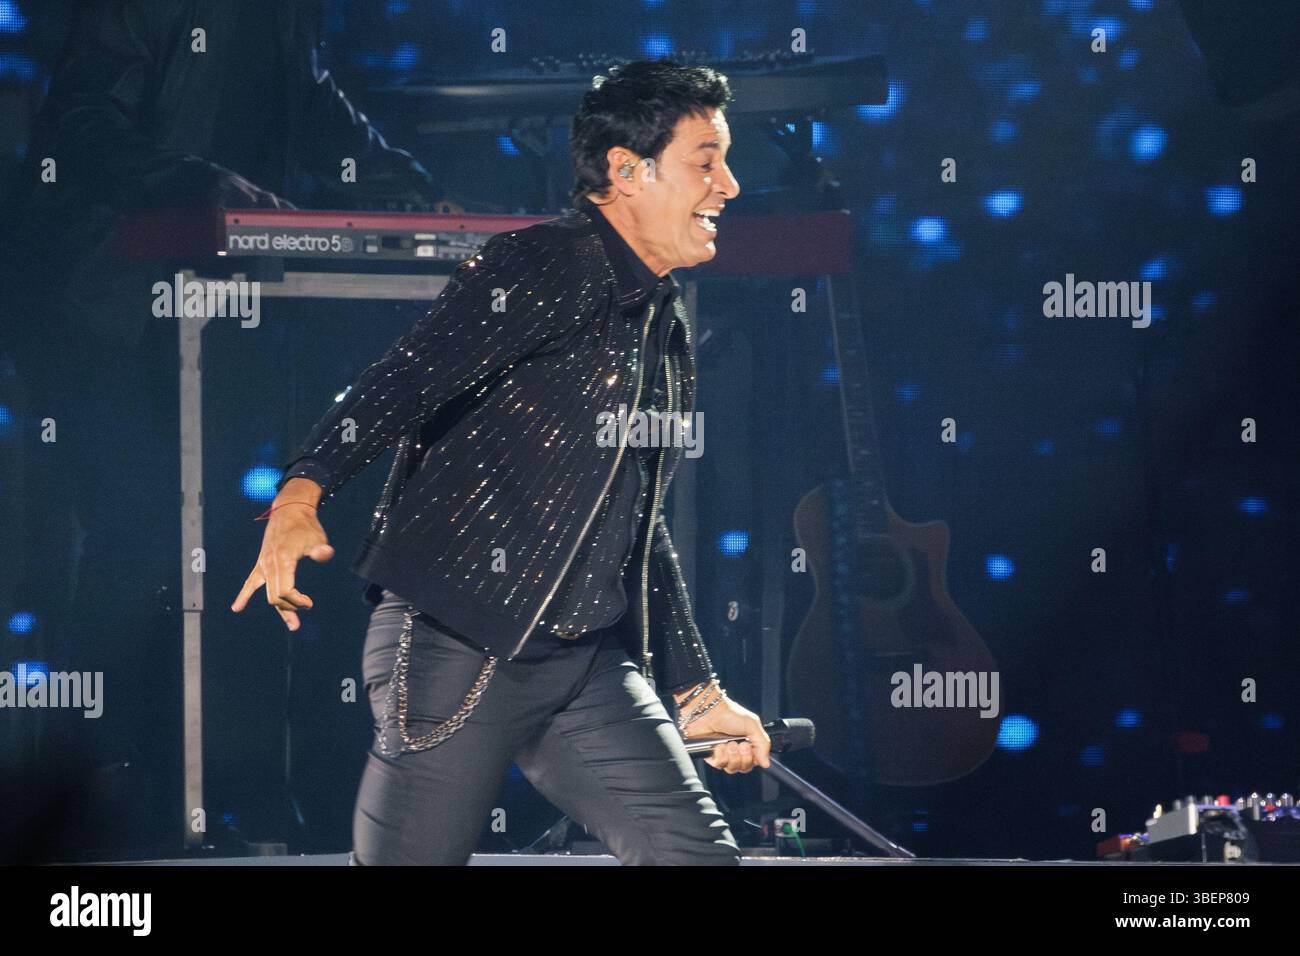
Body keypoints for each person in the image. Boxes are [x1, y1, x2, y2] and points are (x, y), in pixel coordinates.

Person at [231, 60, 772, 865]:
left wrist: (697, 690)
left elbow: (635, 525)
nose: (728, 185)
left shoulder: (662, 321)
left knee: (695, 857)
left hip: (585, 665)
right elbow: (402, 381)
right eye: (706, 161)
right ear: (626, 171)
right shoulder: (544, 265)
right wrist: (300, 493)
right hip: (458, 646)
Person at [0, 0, 433, 850]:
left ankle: (203, 792)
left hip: (197, 312)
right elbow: (80, 124)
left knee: (218, 541)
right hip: (95, 306)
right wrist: (194, 182)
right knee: (138, 538)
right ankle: (103, 795)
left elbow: (322, 118)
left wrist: (418, 193)